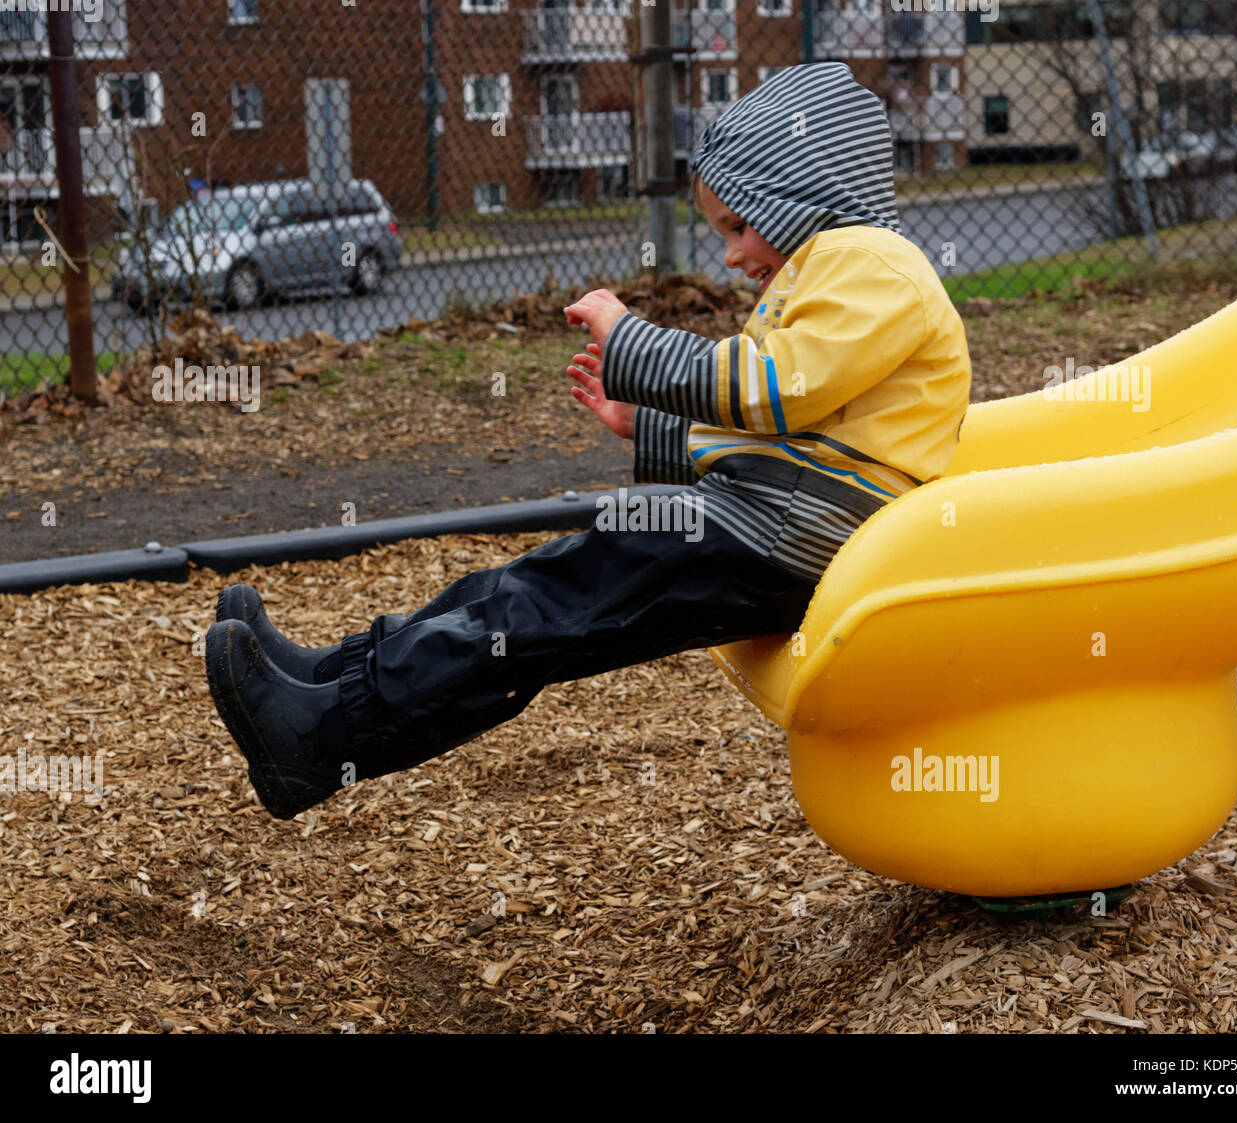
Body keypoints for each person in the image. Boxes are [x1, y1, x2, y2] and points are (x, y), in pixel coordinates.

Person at [205, 62, 972, 820]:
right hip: (767, 526)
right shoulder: (839, 270)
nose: (732, 256)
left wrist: (630, 339)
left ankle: (321, 734)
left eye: (739, 225)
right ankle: (330, 678)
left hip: (788, 540)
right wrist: (650, 425)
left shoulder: (873, 265)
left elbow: (777, 389)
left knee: (538, 611)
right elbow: (801, 426)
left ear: (801, 193)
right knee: (516, 595)